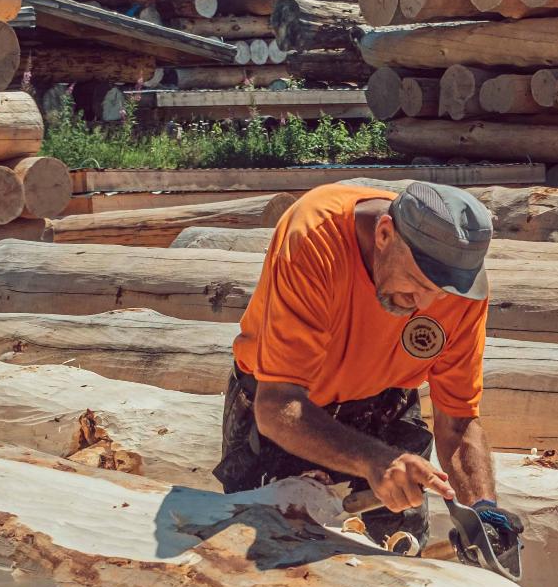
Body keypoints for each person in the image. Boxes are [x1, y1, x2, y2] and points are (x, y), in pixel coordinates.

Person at [215, 180, 521, 556]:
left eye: (439, 292)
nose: (424, 304)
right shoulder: (314, 237)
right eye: (416, 284)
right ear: (384, 233)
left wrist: (483, 509)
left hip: (384, 407)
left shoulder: (463, 287)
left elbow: (457, 421)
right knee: (269, 559)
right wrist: (374, 460)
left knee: (398, 556)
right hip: (289, 410)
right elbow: (277, 405)